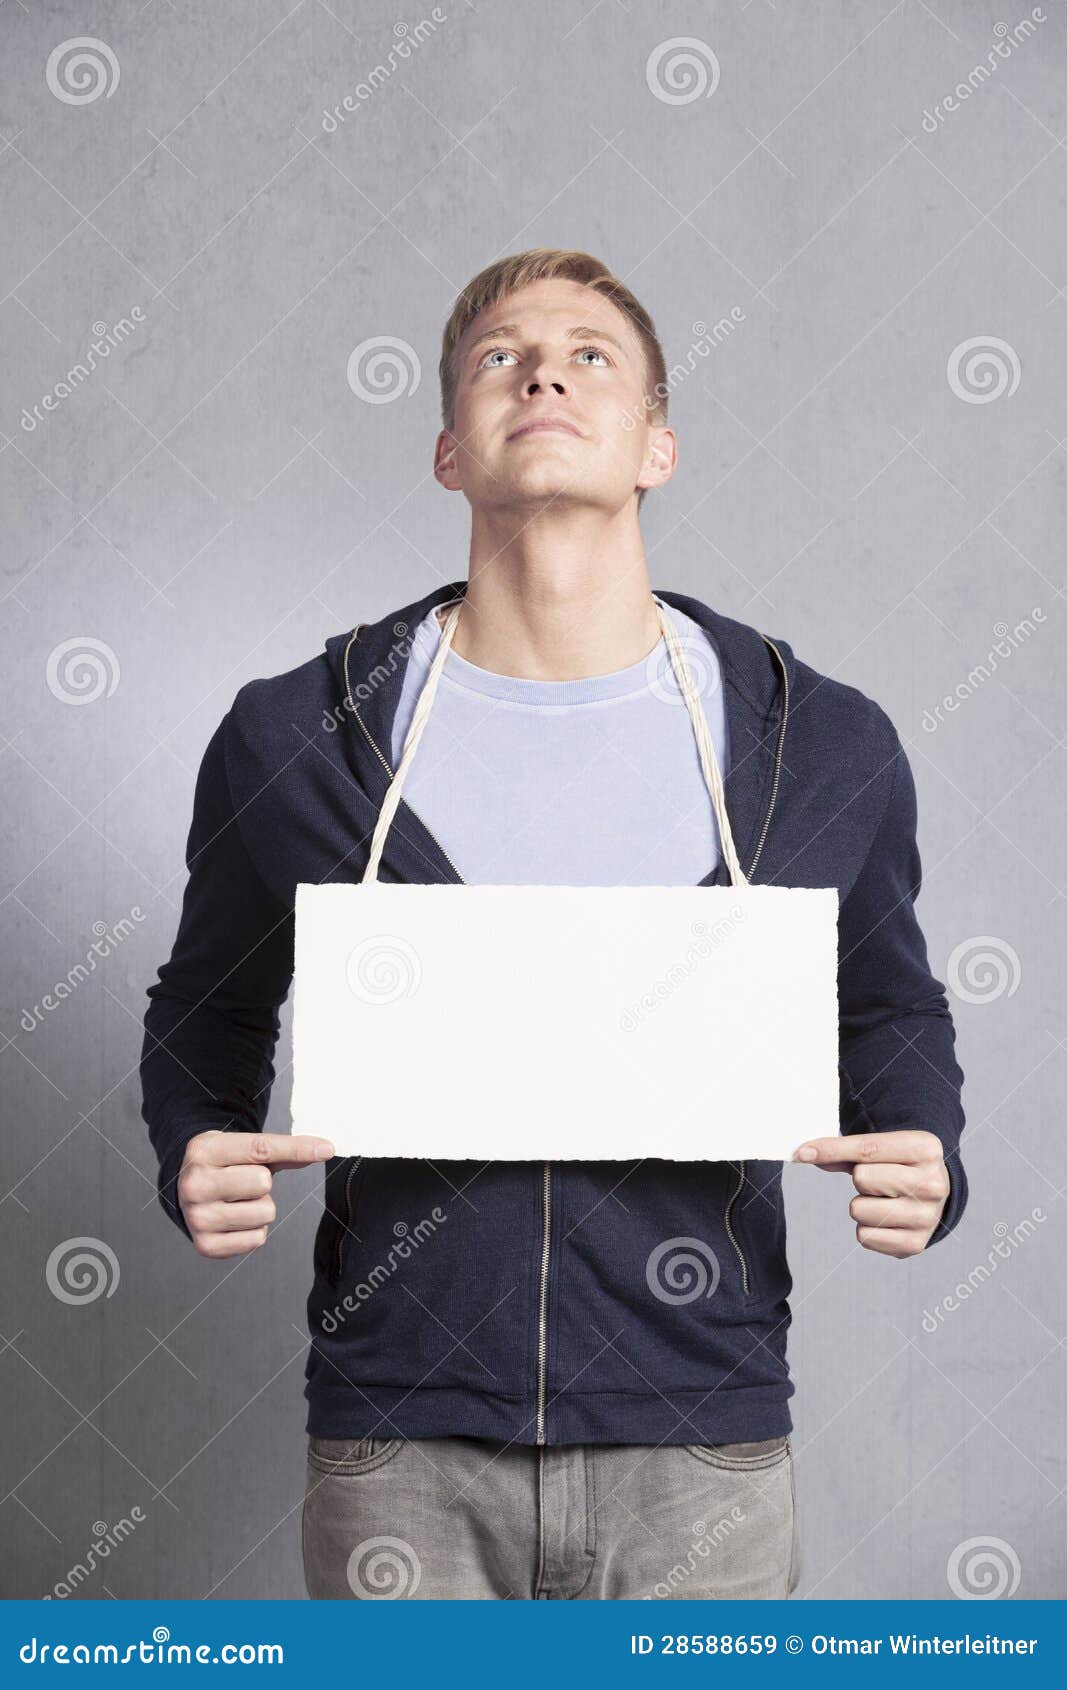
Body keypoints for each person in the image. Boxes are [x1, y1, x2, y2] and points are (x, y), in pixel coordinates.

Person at [140, 248, 967, 1601]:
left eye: (591, 355)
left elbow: (883, 998)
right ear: (449, 454)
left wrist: (925, 1138)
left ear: (659, 445)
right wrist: (198, 1141)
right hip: (400, 1436)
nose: (542, 369)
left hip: (704, 1442)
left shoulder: (819, 740)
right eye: (498, 355)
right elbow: (208, 1005)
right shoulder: (296, 736)